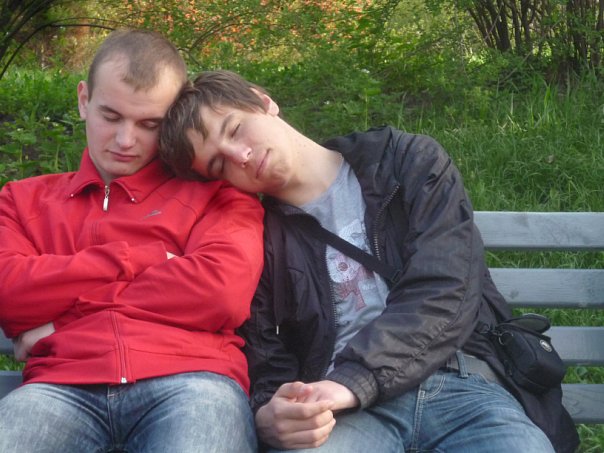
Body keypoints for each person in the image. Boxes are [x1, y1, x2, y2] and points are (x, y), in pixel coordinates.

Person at [159, 70, 579, 453]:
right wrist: (269, 413)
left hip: (461, 382)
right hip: (343, 414)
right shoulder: (258, 235)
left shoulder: (406, 161)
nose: (240, 156)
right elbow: (267, 353)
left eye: (235, 129)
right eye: (219, 164)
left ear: (263, 100)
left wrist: (354, 381)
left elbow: (446, 289)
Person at [0, 33, 264, 452]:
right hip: (58, 387)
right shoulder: (21, 200)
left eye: (149, 125)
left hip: (193, 381)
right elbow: (9, 293)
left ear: (172, 121)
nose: (125, 141)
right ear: (84, 100)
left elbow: (221, 292)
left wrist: (66, 319)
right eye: (111, 116)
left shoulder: (216, 191)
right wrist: (141, 259)